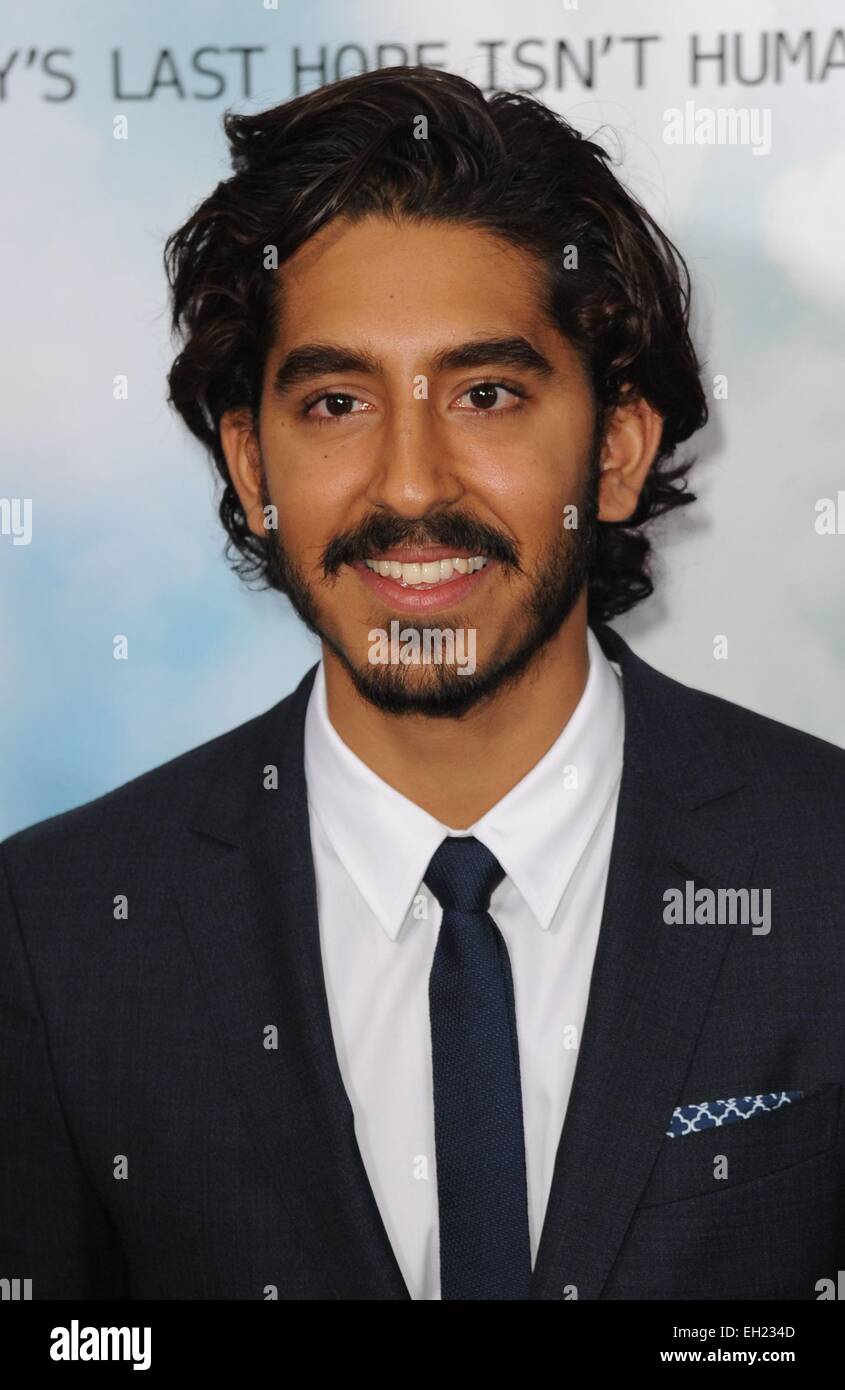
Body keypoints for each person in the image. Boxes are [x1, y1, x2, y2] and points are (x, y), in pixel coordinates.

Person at [1, 66, 843, 1302]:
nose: (407, 486)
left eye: (485, 394)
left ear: (614, 446)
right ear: (250, 462)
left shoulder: (825, 867)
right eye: (336, 402)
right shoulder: (59, 931)